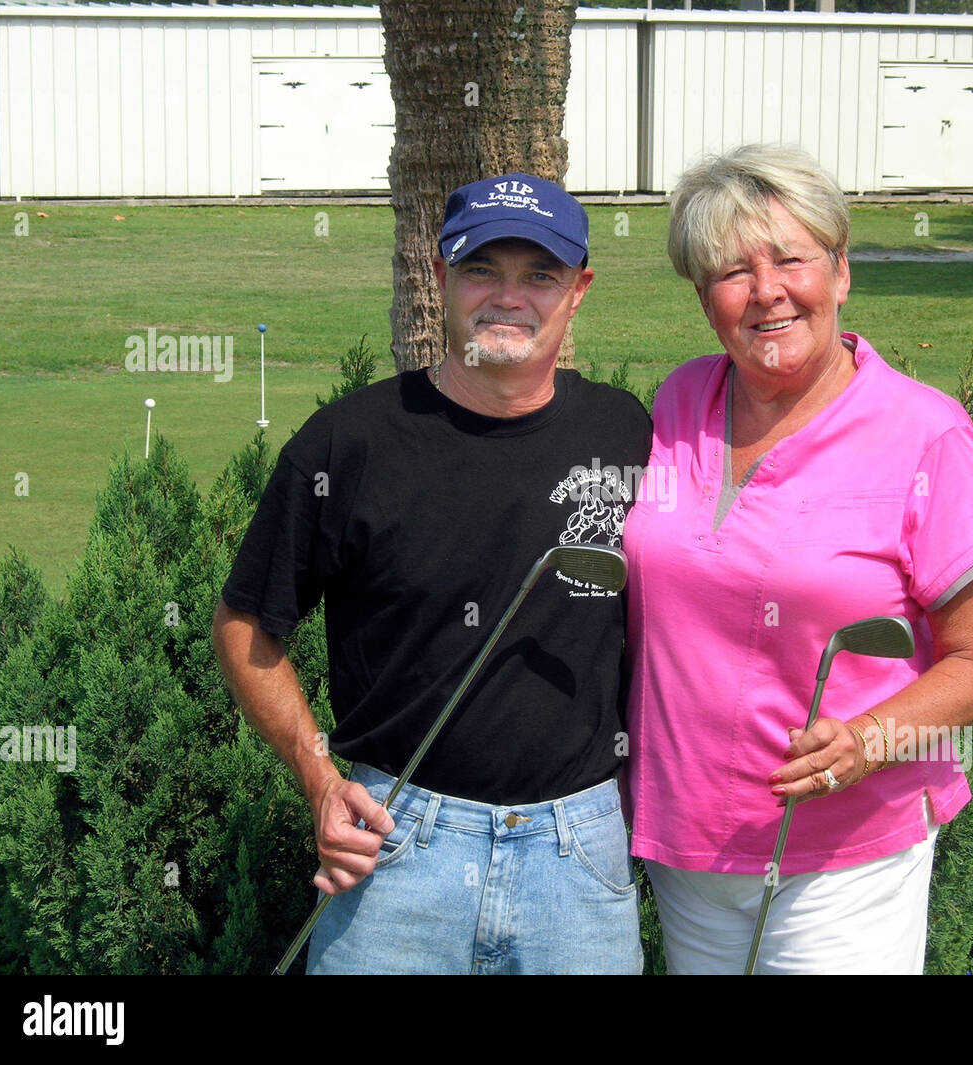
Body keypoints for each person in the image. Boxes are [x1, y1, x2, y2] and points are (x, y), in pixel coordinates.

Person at [212, 172, 652, 975]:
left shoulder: (626, 433)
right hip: (397, 846)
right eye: (482, 269)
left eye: (539, 275)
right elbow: (246, 621)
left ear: (579, 289)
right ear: (439, 275)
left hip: (578, 858)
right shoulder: (348, 444)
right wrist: (318, 778)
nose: (508, 297)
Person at [621, 145, 973, 974]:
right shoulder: (680, 400)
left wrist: (870, 739)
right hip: (688, 844)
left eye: (790, 259)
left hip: (845, 859)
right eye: (732, 269)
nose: (765, 290)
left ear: (840, 272)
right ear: (704, 298)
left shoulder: (926, 433)